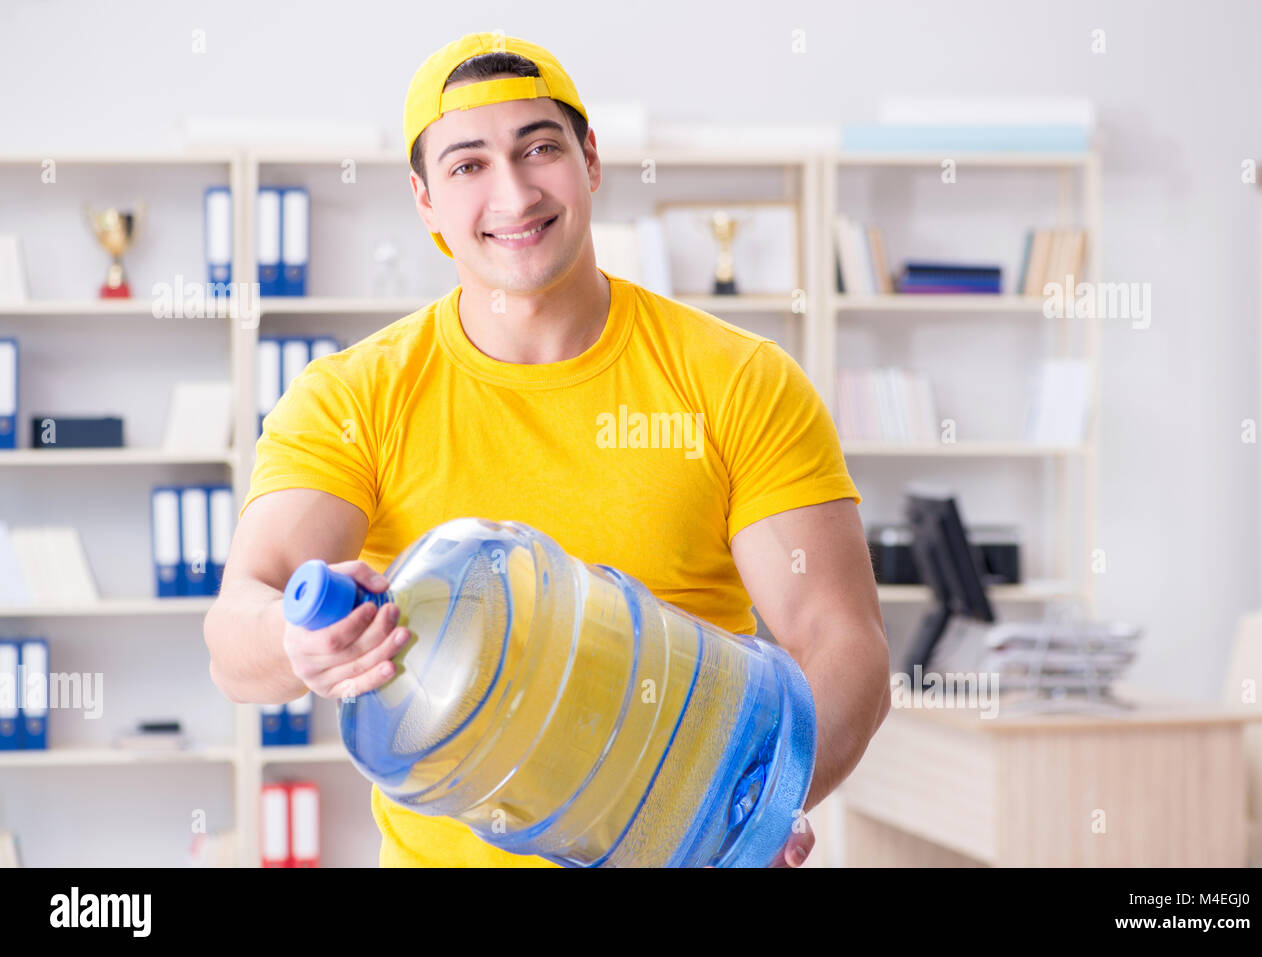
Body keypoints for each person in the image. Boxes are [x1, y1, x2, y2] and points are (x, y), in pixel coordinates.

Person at [204, 30, 892, 868]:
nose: (515, 192)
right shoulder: (353, 398)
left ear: (590, 159)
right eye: (468, 165)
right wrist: (295, 639)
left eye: (540, 149)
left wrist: (756, 811)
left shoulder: (738, 381)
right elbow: (238, 625)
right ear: (425, 201)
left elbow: (842, 638)